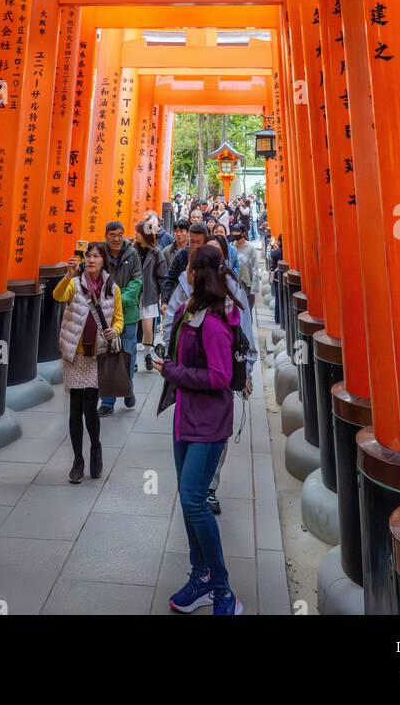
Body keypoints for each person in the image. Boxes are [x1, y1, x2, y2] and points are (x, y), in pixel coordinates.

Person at [153, 246, 243, 615]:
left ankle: (223, 591)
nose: (185, 273)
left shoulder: (215, 323)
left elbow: (221, 376)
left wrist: (172, 372)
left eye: (190, 267)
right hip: (185, 419)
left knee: (193, 499)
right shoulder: (190, 310)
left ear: (196, 273)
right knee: (189, 501)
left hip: (208, 423)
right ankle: (201, 576)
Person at [163, 228, 257, 517]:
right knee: (189, 487)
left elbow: (245, 334)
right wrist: (171, 356)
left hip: (212, 392)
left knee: (194, 494)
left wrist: (247, 370)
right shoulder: (185, 293)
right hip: (190, 391)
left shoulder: (230, 298)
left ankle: (209, 488)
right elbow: (172, 322)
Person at [53, 243, 123, 483]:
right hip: (75, 354)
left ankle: (95, 447)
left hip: (96, 356)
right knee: (74, 409)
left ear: (104, 261)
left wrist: (115, 329)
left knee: (89, 408)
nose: (92, 260)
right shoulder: (74, 284)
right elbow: (58, 295)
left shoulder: (112, 289)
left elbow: (118, 319)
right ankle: (77, 461)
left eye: (96, 256)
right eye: (89, 256)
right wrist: (68, 275)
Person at [99, 220, 142, 415]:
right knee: (107, 356)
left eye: (120, 234)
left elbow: (137, 280)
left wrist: (119, 299)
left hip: (128, 313)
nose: (116, 238)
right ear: (106, 235)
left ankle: (127, 388)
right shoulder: (99, 252)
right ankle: (107, 402)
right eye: (112, 235)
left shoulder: (132, 253)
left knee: (127, 354)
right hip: (104, 313)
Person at [135, 221, 168, 371]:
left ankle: (147, 354)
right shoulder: (131, 250)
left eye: (139, 232)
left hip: (150, 295)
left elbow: (162, 278)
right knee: (132, 328)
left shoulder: (156, 252)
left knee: (148, 329)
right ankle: (133, 360)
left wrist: (164, 299)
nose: (136, 235)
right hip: (133, 295)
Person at [232, 224, 260, 312]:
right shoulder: (233, 246)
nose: (235, 233)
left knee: (247, 312)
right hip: (235, 284)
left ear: (243, 233)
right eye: (234, 231)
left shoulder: (250, 248)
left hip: (247, 285)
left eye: (237, 231)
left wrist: (254, 288)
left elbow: (255, 268)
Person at [268, 233, 283, 326]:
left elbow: (268, 256)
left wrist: (271, 246)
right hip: (284, 277)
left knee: (278, 298)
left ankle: (278, 318)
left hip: (277, 278)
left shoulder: (277, 252)